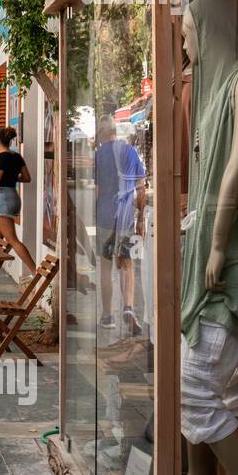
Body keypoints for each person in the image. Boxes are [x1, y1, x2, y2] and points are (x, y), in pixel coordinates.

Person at [94, 116, 147, 333]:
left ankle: (107, 316)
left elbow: (96, 190)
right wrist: (141, 216)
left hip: (105, 216)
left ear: (101, 134)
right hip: (126, 218)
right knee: (127, 263)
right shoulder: (130, 152)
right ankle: (128, 307)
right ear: (116, 131)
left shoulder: (99, 154)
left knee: (106, 266)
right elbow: (141, 188)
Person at [0, 126, 37, 279]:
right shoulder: (16, 156)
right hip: (13, 196)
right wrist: (13, 177)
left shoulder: (1, 158)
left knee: (12, 240)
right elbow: (27, 178)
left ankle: (35, 271)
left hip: (3, 197)